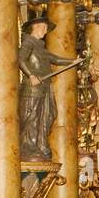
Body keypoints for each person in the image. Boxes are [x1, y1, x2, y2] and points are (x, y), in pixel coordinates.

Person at [17, 15, 78, 161]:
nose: (45, 32)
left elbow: (55, 59)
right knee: (32, 116)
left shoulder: (40, 46)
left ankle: (40, 145)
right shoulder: (28, 43)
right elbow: (21, 59)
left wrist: (74, 61)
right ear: (35, 27)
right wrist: (31, 75)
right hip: (32, 88)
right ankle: (28, 147)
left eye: (45, 28)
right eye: (43, 28)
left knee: (48, 114)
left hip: (44, 86)